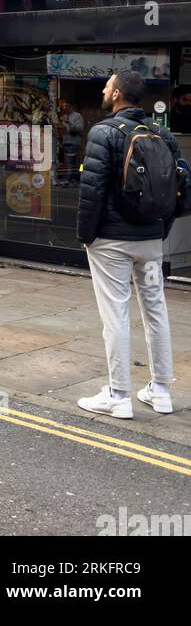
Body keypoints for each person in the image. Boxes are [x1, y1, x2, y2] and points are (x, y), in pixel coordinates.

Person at [76, 69, 189, 419]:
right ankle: (161, 391)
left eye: (108, 85)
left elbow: (92, 191)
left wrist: (86, 236)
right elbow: (179, 189)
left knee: (116, 314)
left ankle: (118, 395)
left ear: (117, 95)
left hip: (112, 243)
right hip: (151, 241)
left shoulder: (103, 132)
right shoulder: (163, 134)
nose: (105, 89)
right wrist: (161, 229)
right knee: (156, 311)